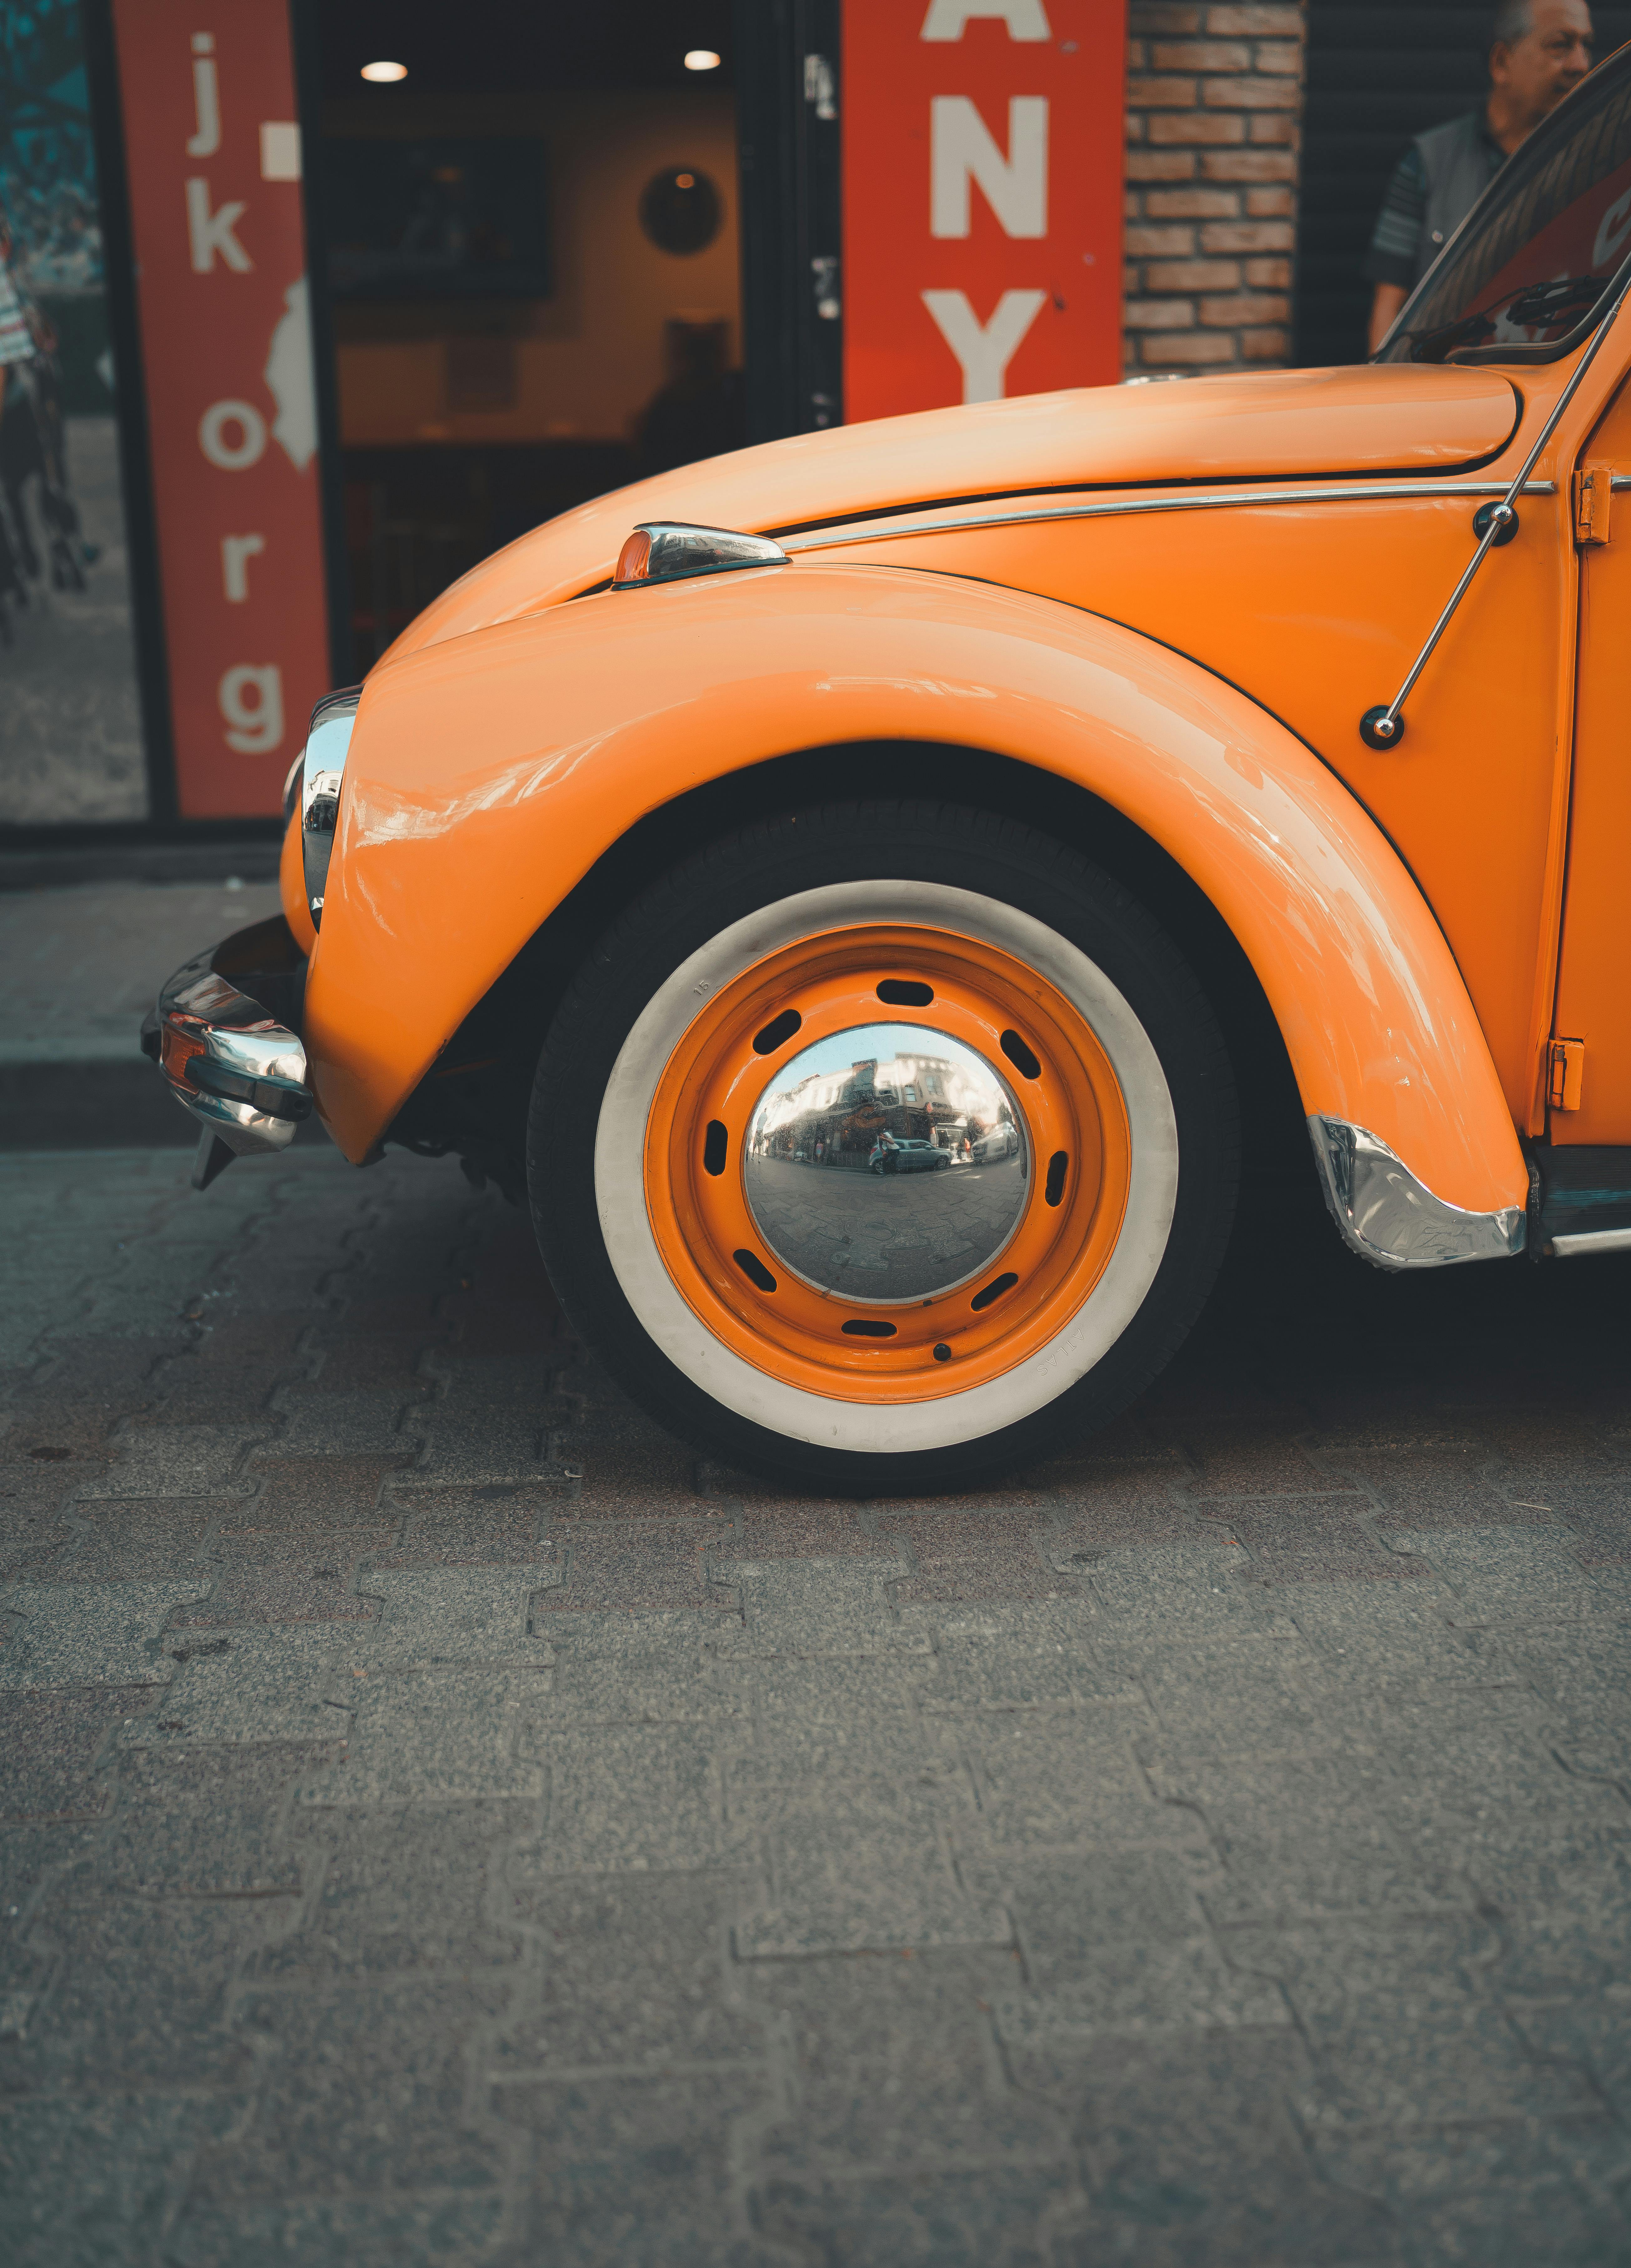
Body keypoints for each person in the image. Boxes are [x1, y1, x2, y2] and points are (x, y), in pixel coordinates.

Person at [1365, 0, 1595, 353]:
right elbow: (1388, 310)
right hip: (1449, 394)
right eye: (1560, 45)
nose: (1581, 64)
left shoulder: (1601, 167)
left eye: (1586, 46)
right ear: (1501, 63)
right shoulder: (1427, 163)